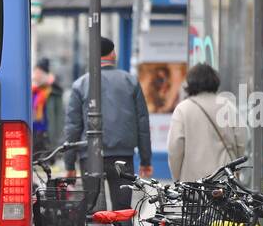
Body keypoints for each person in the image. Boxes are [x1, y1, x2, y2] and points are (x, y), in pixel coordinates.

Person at [63, 37, 152, 210]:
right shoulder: (130, 82)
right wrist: (146, 160)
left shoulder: (80, 84)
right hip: (122, 156)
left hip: (89, 155)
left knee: (94, 209)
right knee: (123, 210)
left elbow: (73, 127)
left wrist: (69, 164)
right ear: (113, 54)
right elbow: (142, 122)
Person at [166, 63, 246, 181]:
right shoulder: (227, 106)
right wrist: (236, 167)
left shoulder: (183, 109)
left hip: (194, 184)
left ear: (190, 83)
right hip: (224, 180)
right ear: (215, 81)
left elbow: (175, 149)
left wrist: (177, 177)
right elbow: (242, 139)